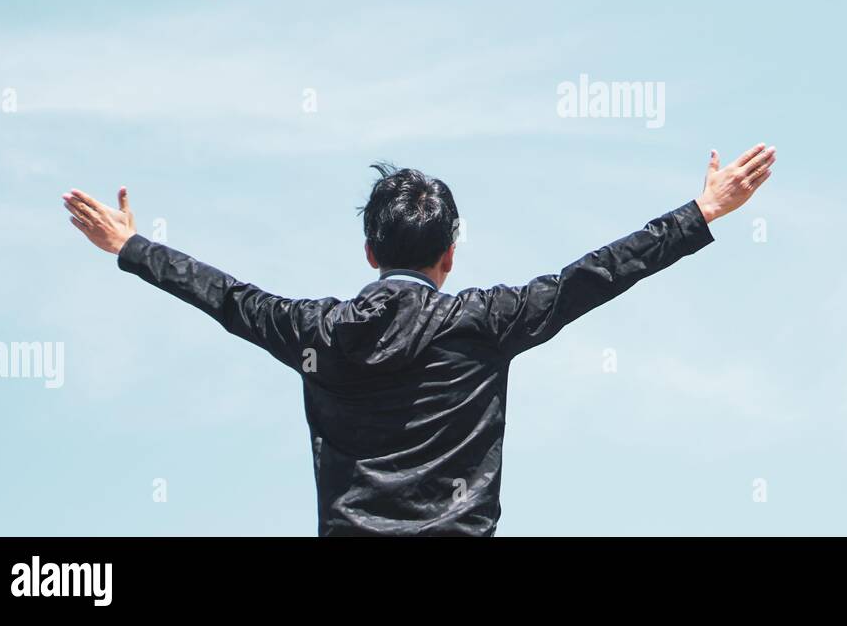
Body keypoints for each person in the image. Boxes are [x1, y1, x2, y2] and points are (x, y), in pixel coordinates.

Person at [63, 143, 777, 535]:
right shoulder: (486, 322)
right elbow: (596, 274)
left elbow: (224, 296)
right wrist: (703, 210)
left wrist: (131, 246)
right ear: (451, 255)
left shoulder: (317, 334)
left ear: (370, 253)